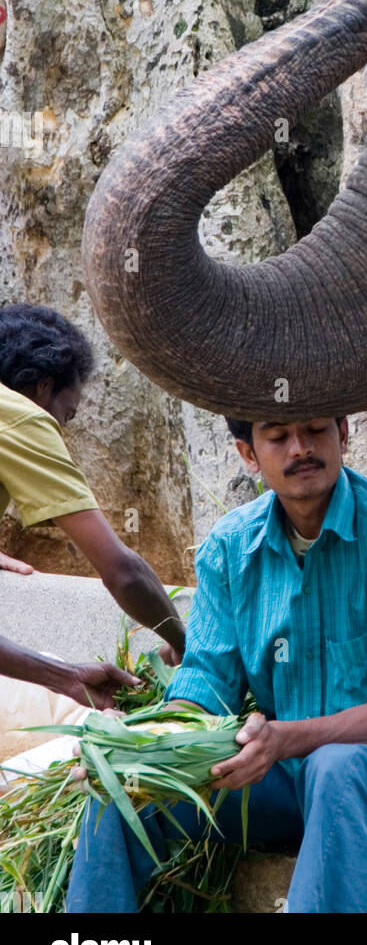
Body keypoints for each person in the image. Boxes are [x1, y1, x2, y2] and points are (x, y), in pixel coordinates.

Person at [66, 414, 367, 913]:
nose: (300, 448)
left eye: (316, 430)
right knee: (117, 785)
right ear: (248, 454)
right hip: (293, 778)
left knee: (338, 767)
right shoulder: (231, 546)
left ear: (344, 433)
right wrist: (139, 742)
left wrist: (282, 740)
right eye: (277, 436)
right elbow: (207, 682)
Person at [0, 304, 185, 711]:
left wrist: (65, 678)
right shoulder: (21, 416)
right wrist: (189, 646)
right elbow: (122, 572)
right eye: (65, 415)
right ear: (41, 387)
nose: (60, 427)